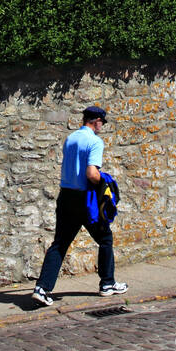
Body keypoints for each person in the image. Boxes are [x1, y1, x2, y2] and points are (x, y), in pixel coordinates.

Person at [31, 106, 127, 305]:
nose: (102, 127)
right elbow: (91, 174)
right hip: (86, 199)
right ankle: (107, 284)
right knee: (105, 239)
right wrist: (105, 181)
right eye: (102, 123)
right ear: (97, 121)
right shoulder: (95, 142)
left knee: (60, 243)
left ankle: (42, 288)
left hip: (66, 196)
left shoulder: (71, 138)